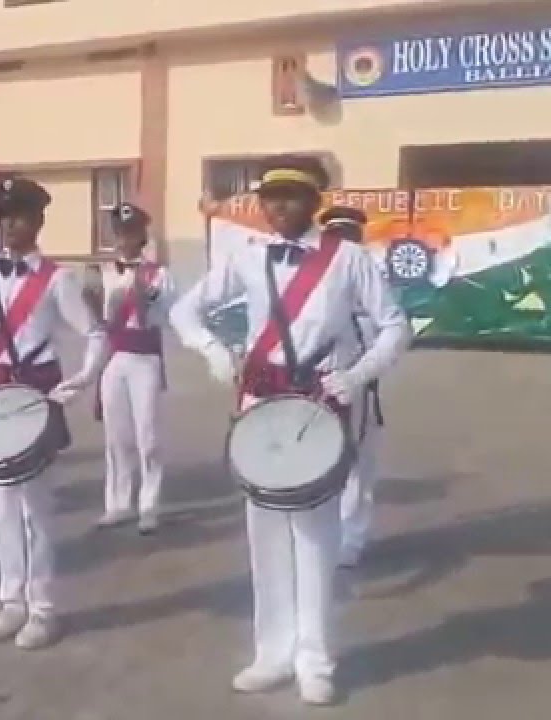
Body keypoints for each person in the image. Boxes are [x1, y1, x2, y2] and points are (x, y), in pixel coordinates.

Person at [169, 158, 410, 705]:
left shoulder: (348, 259)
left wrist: (358, 375)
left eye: (290, 198)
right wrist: (212, 352)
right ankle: (271, 653)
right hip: (261, 404)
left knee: (317, 536)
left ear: (314, 203)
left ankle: (315, 659)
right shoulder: (247, 257)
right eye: (269, 198)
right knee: (266, 535)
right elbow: (186, 311)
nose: (277, 207)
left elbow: (396, 327)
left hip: (319, 405)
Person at [0, 177, 110, 650]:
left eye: (20, 215)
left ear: (39, 221)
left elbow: (97, 334)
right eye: (4, 216)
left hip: (37, 395)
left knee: (36, 508)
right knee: (2, 507)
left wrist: (78, 381)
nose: (11, 224)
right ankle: (10, 600)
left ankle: (42, 607)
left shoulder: (58, 279)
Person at [95, 202, 175, 532]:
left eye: (131, 233)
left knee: (148, 435)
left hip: (145, 357)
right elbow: (99, 323)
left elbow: (165, 318)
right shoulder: (105, 271)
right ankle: (118, 503)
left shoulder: (160, 274)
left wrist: (146, 300)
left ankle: (149, 506)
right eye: (120, 233)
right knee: (116, 435)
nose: (125, 239)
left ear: (143, 235)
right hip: (115, 357)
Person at [319, 205, 387, 568]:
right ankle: (325, 538)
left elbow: (388, 332)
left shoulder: (372, 279)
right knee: (323, 467)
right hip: (320, 390)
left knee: (360, 469)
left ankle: (352, 540)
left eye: (350, 239)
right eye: (337, 239)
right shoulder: (316, 285)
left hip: (361, 389)